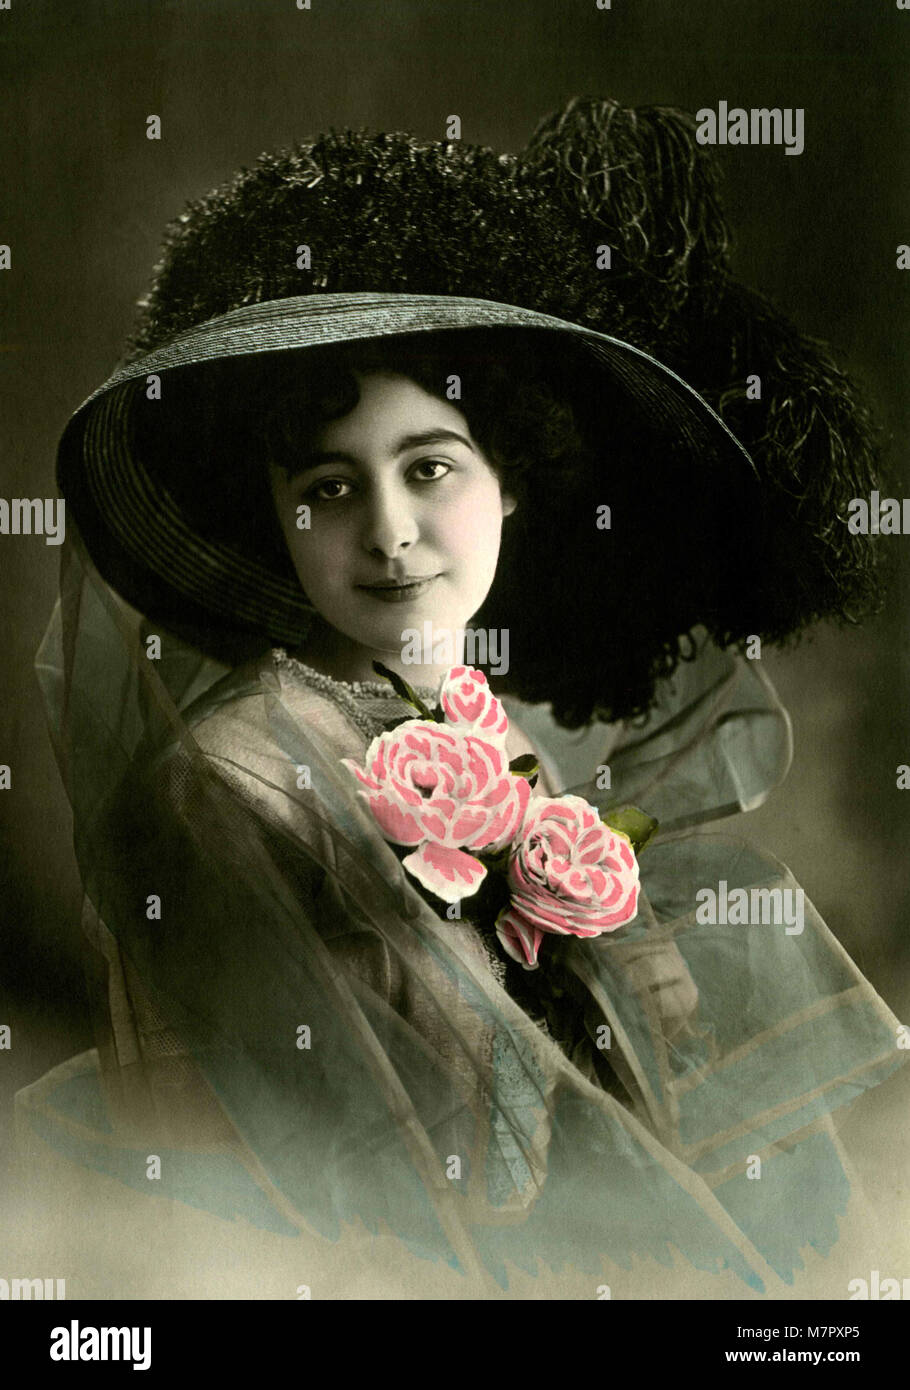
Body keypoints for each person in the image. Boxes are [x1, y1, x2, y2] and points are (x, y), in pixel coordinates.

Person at [16, 98, 907, 1299]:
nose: (389, 534)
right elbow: (421, 1180)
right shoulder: (226, 780)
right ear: (270, 516)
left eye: (429, 467)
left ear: (516, 479)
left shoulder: (475, 736)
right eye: (329, 489)